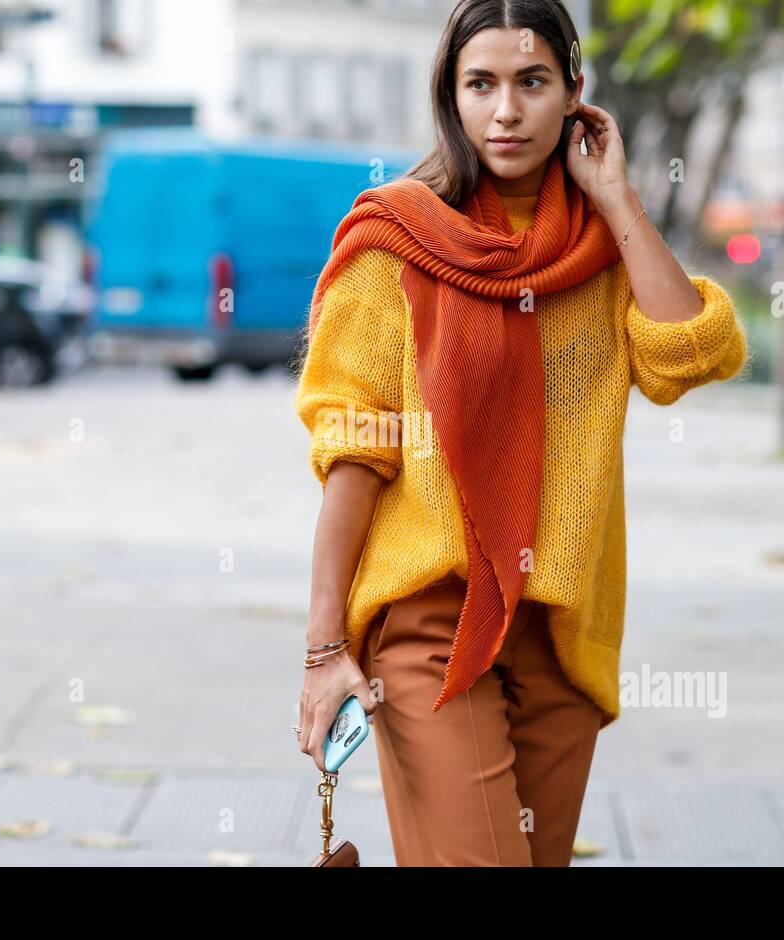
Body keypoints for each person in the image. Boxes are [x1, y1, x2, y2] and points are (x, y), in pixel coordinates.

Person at [292, 0, 748, 866]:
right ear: (450, 97)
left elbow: (689, 356)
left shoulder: (599, 247)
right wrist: (324, 649)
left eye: (532, 82)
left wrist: (614, 197)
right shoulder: (394, 243)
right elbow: (351, 452)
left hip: (561, 635)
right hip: (432, 626)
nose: (506, 110)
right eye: (482, 84)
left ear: (575, 93)